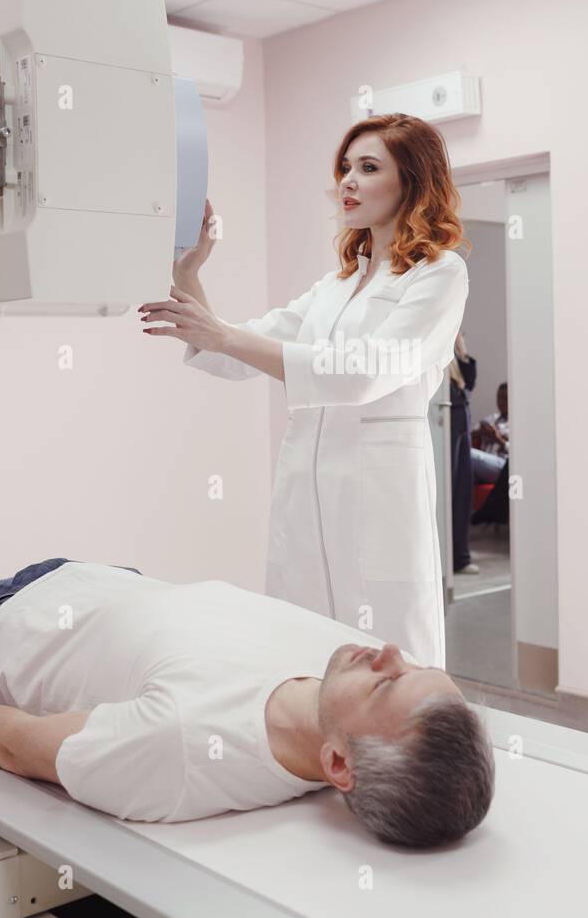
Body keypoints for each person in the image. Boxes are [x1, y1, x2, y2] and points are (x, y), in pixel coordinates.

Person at [138, 113, 471, 668]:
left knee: (390, 659)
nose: (347, 181)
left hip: (379, 494)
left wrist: (224, 335)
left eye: (368, 168)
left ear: (412, 180)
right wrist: (189, 271)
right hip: (307, 490)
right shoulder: (337, 284)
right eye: (345, 167)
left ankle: (402, 754)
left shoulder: (439, 274)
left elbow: (365, 372)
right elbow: (242, 353)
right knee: (301, 648)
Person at [0, 558, 495, 848]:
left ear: (339, 764)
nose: (391, 653)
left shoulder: (185, 744)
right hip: (79, 581)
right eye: (417, 666)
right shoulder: (342, 670)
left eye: (387, 683)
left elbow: (14, 745)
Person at [448, 330, 479, 575]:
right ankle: (451, 556)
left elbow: (469, 382)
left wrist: (462, 349)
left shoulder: (455, 353)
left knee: (462, 491)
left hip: (462, 419)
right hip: (447, 421)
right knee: (449, 490)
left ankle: (461, 556)